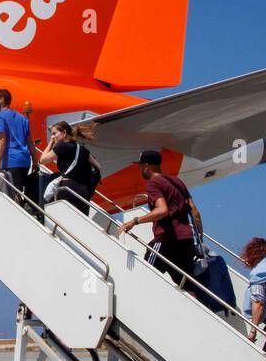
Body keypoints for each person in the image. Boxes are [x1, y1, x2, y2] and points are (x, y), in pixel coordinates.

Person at [120, 150, 202, 286]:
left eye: (140, 167)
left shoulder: (154, 183)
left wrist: (134, 221)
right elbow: (195, 212)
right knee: (186, 286)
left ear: (147, 166)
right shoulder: (177, 181)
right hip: (186, 241)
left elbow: (162, 210)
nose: (140, 170)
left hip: (167, 240)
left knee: (145, 277)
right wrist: (199, 236)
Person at [37, 120, 100, 213]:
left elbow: (42, 160)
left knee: (63, 218)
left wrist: (51, 143)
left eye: (54, 133)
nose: (53, 136)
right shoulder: (82, 149)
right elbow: (98, 166)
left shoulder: (61, 146)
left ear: (64, 132)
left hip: (68, 189)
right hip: (84, 192)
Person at [0, 88, 33, 204]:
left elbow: (1, 139)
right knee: (17, 193)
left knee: (11, 197)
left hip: (11, 160)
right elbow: (30, 142)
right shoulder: (23, 118)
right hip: (25, 161)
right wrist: (35, 161)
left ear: (2, 100)